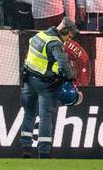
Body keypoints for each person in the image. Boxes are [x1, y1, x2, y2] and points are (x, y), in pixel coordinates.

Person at [19, 16, 78, 158]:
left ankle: (26, 147)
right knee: (45, 115)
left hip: (28, 79)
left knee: (29, 113)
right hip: (45, 84)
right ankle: (44, 151)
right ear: (64, 30)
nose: (69, 39)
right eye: (69, 36)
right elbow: (63, 64)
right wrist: (71, 77)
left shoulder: (40, 35)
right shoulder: (55, 43)